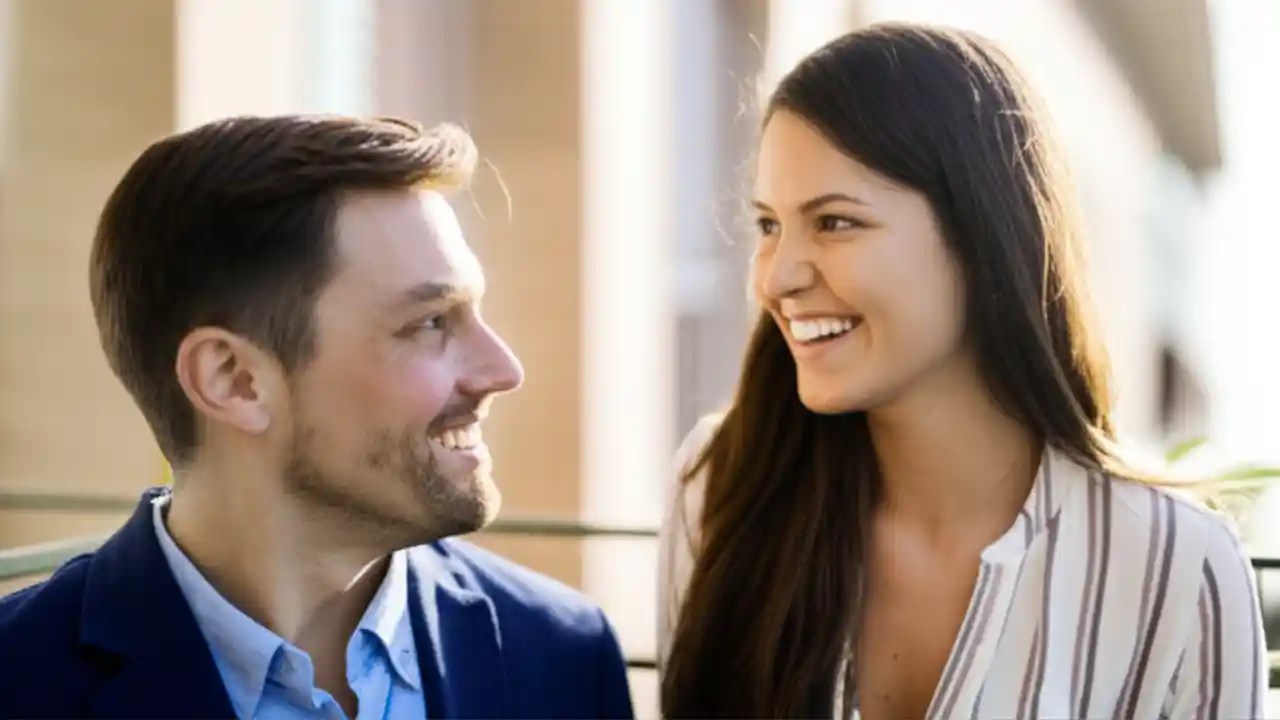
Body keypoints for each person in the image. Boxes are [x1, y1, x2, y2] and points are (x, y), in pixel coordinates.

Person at [658, 23, 1266, 720]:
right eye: (769, 225)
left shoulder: (1178, 567)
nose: (779, 277)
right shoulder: (718, 486)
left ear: (980, 235)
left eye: (835, 222)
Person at [0, 115, 634, 719]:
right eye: (430, 323)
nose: (503, 370)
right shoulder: (20, 681)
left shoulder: (562, 659)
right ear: (235, 380)